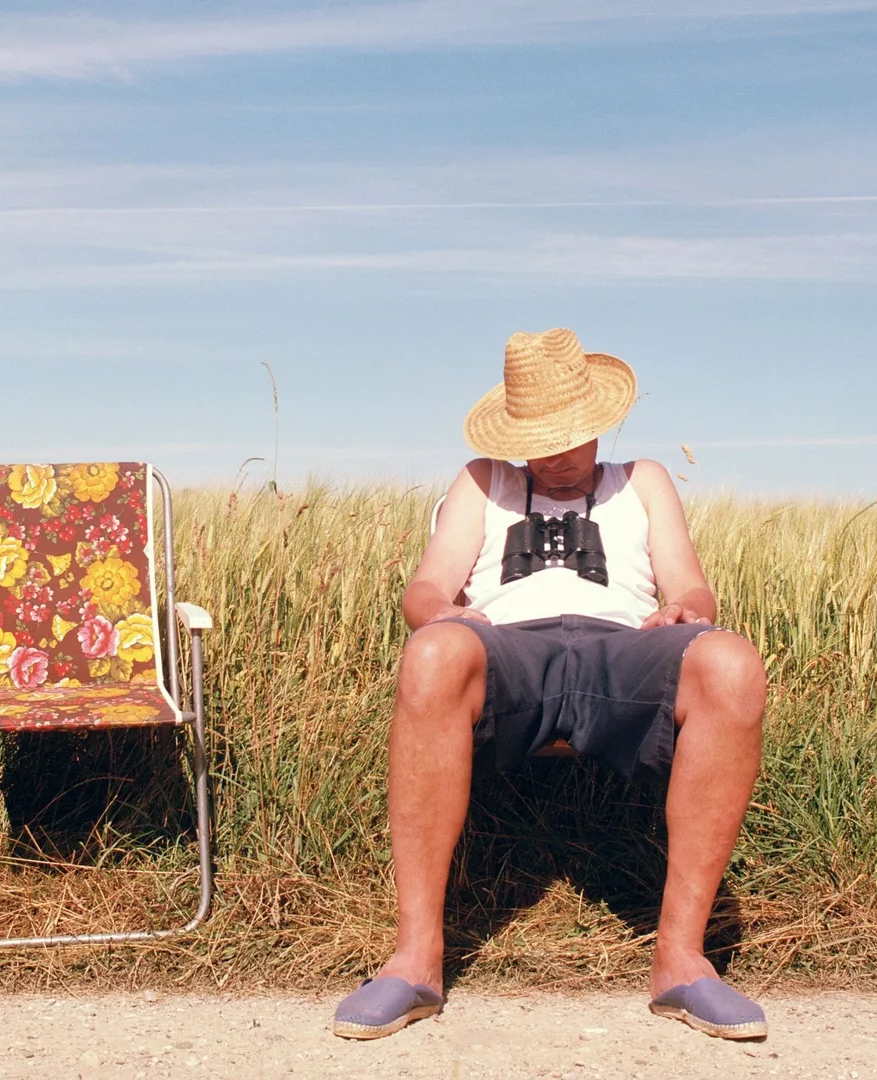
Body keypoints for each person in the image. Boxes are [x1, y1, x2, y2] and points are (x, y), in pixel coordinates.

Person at [331, 328, 769, 1042]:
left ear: (599, 423)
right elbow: (426, 588)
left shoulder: (644, 479)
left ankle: (683, 964)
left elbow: (690, 584)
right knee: (433, 653)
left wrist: (685, 611)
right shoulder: (484, 480)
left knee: (731, 662)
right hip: (509, 650)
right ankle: (415, 963)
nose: (558, 452)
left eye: (571, 435)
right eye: (539, 437)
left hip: (623, 651)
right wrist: (444, 617)